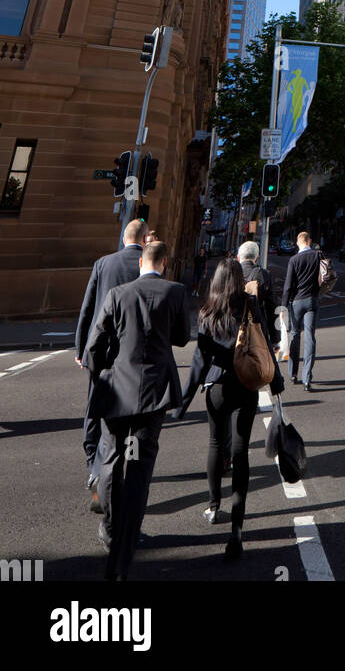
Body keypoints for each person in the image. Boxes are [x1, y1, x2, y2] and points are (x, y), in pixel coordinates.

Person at [83, 239, 189, 581]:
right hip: (153, 393)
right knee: (140, 464)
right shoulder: (175, 292)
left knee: (113, 458)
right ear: (164, 262)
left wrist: (101, 373)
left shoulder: (118, 294)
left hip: (118, 391)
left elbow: (94, 346)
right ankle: (131, 532)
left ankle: (111, 527)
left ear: (141, 261)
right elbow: (183, 337)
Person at [172, 257, 283, 561]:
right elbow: (267, 341)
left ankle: (212, 506)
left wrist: (182, 403)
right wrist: (276, 381)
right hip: (246, 384)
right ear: (238, 278)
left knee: (214, 443)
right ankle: (237, 526)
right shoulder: (249, 304)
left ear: (217, 281)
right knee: (240, 450)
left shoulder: (207, 312)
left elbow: (199, 362)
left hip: (216, 387)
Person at [75, 218, 148, 494]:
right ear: (143, 239)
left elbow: (88, 307)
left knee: (94, 407)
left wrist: (81, 347)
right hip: (132, 352)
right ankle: (123, 467)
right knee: (131, 413)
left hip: (101, 347)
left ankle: (93, 463)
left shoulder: (104, 263)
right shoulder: (147, 266)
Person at [281, 231, 323, 392]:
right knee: (310, 337)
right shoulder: (317, 255)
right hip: (312, 300)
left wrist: (283, 306)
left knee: (295, 334)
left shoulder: (293, 260)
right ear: (309, 241)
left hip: (296, 302)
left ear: (298, 243)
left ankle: (292, 373)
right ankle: (307, 378)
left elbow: (288, 286)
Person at [238, 241, 279, 347]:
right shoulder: (264, 275)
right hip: (257, 328)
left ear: (238, 257)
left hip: (233, 329)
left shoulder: (229, 273)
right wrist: (275, 338)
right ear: (256, 258)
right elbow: (271, 307)